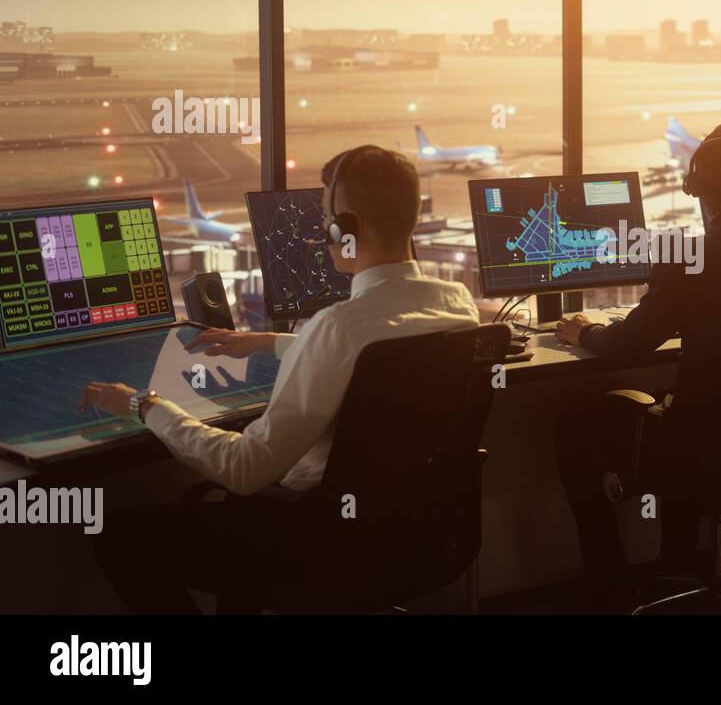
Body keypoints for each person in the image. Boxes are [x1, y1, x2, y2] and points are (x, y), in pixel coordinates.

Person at [82, 145, 480, 613]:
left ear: (347, 227)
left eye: (327, 220)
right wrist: (272, 341)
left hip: (312, 545)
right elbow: (381, 354)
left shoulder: (339, 328)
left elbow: (246, 469)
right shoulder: (456, 305)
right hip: (409, 538)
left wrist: (143, 405)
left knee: (122, 535)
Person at [552, 122, 721, 611]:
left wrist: (583, 332)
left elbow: (628, 345)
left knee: (576, 423)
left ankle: (611, 586)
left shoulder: (687, 257)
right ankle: (680, 565)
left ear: (698, 189)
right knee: (691, 410)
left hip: (700, 443)